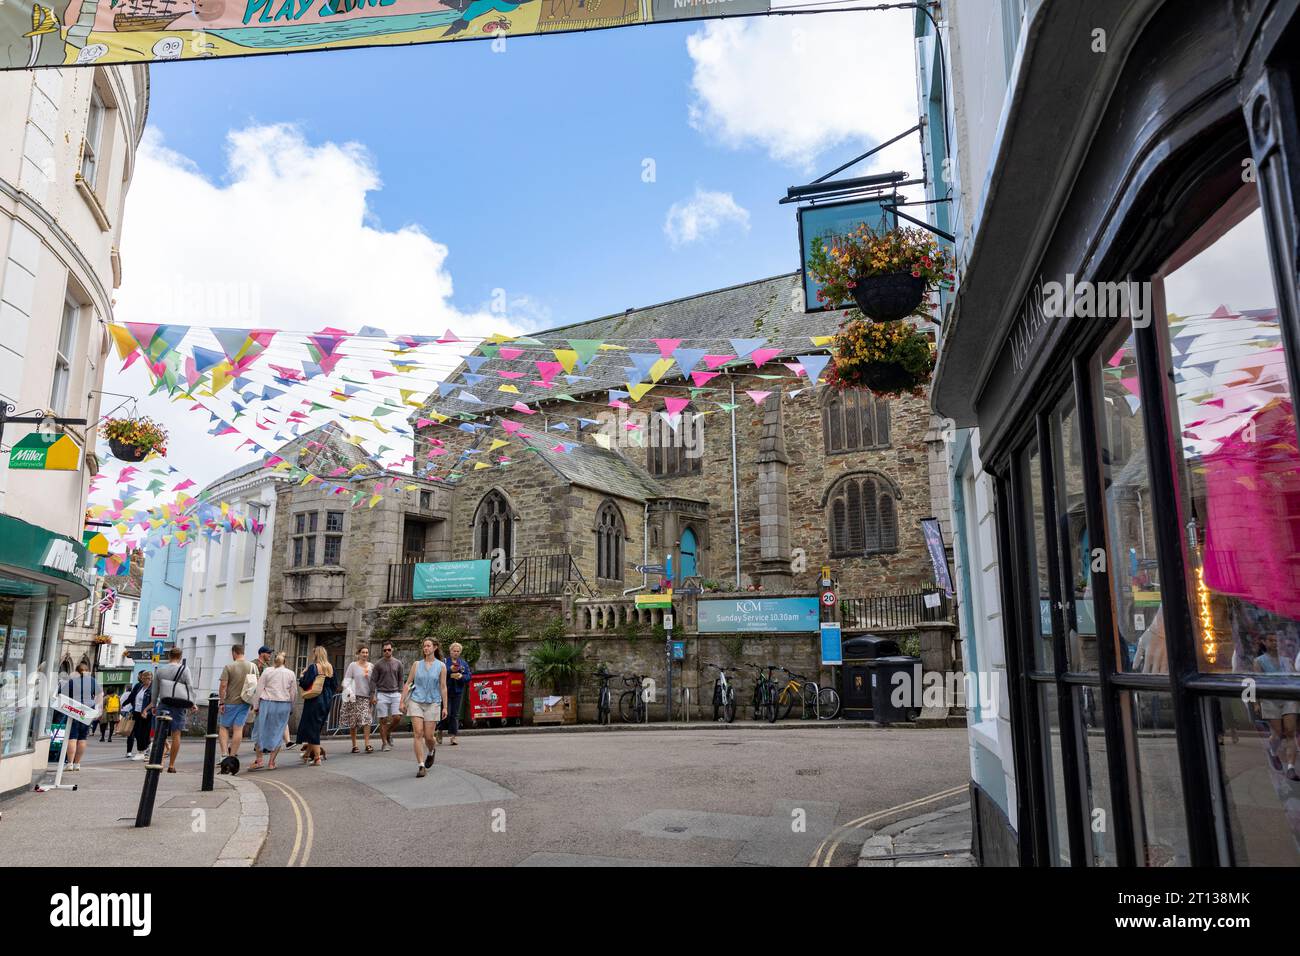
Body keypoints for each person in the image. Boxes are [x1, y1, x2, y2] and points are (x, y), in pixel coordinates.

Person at [1255, 631, 1300, 780]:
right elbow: (1257, 684)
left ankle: (1291, 768)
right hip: (1270, 700)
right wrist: (1257, 703)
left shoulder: (1287, 661)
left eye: (1276, 640)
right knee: (1278, 733)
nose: (1274, 643)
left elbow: (1294, 679)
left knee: (1290, 732)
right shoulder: (1259, 661)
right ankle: (1272, 751)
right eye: (1271, 640)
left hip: (1288, 699)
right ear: (1264, 642)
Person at [146, 648, 198, 773]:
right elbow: (190, 687)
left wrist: (153, 705)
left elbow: (155, 690)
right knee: (176, 734)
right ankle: (172, 765)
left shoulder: (160, 670)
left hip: (164, 703)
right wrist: (193, 703)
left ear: (169, 656)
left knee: (160, 734)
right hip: (179, 705)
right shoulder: (184, 669)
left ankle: (160, 761)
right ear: (180, 657)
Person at [400, 638, 446, 778]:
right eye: (424, 646)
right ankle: (420, 765)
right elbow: (408, 684)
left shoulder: (441, 666)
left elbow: (443, 687)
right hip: (416, 701)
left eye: (428, 646)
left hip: (433, 702)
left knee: (428, 736)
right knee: (418, 733)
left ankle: (431, 751)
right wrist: (402, 701)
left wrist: (445, 707)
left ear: (435, 647)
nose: (425, 648)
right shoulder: (416, 665)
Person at [249, 652, 297, 771]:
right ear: (285, 662)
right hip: (283, 705)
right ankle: (271, 762)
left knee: (260, 730)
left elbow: (259, 689)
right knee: (278, 732)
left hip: (267, 703)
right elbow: (293, 693)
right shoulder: (290, 673)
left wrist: (255, 706)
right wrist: (291, 707)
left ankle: (259, 761)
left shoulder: (267, 671)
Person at [296, 646, 335, 766]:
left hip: (315, 700)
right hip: (327, 700)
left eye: (313, 654)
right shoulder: (330, 668)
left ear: (316, 655)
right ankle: (307, 755)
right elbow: (335, 685)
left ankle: (317, 758)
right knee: (315, 728)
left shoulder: (314, 667)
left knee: (313, 729)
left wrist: (302, 675)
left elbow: (305, 683)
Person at [217, 644, 257, 762]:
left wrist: (221, 702)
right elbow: (256, 684)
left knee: (224, 727)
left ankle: (224, 754)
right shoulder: (253, 666)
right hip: (245, 702)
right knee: (238, 729)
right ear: (243, 652)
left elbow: (223, 686)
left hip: (230, 702)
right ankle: (232, 756)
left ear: (234, 653)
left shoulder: (229, 667)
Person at [63, 663, 102, 771]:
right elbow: (99, 695)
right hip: (88, 710)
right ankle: (77, 764)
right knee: (82, 738)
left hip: (74, 710)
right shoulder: (92, 681)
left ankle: (69, 763)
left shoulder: (72, 682)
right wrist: (95, 707)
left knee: (72, 737)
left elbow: (62, 695)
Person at [371, 641, 404, 752]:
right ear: (383, 651)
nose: (387, 651)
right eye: (385, 650)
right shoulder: (378, 664)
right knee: (383, 719)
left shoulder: (398, 663)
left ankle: (388, 732)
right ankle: (384, 743)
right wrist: (373, 695)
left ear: (392, 650)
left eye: (389, 649)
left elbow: (400, 679)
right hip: (382, 693)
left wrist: (401, 693)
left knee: (397, 717)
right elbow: (373, 680)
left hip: (395, 693)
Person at [342, 645, 374, 754]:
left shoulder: (371, 666)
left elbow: (374, 683)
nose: (365, 654)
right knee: (353, 721)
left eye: (366, 652)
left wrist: (374, 696)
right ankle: (354, 745)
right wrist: (350, 692)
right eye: (363, 652)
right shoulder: (353, 665)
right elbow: (346, 680)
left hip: (366, 697)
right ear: (358, 654)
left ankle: (367, 744)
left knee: (367, 719)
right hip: (353, 697)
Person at [440, 642, 472, 746]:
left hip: (458, 691)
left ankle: (453, 736)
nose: (456, 653)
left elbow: (469, 676)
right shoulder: (445, 662)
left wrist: (461, 677)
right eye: (454, 651)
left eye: (458, 651)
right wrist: (450, 671)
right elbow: (439, 674)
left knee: (455, 714)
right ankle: (439, 731)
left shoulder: (463, 663)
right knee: (446, 713)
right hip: (446, 691)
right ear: (450, 651)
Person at [119, 671, 153, 760]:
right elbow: (133, 696)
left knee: (144, 733)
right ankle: (142, 751)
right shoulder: (140, 686)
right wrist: (124, 704)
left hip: (146, 714)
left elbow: (153, 702)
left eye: (145, 678)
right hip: (136, 712)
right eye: (142, 678)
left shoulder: (152, 689)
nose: (143, 680)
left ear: (149, 678)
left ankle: (143, 751)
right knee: (137, 733)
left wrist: (145, 710)